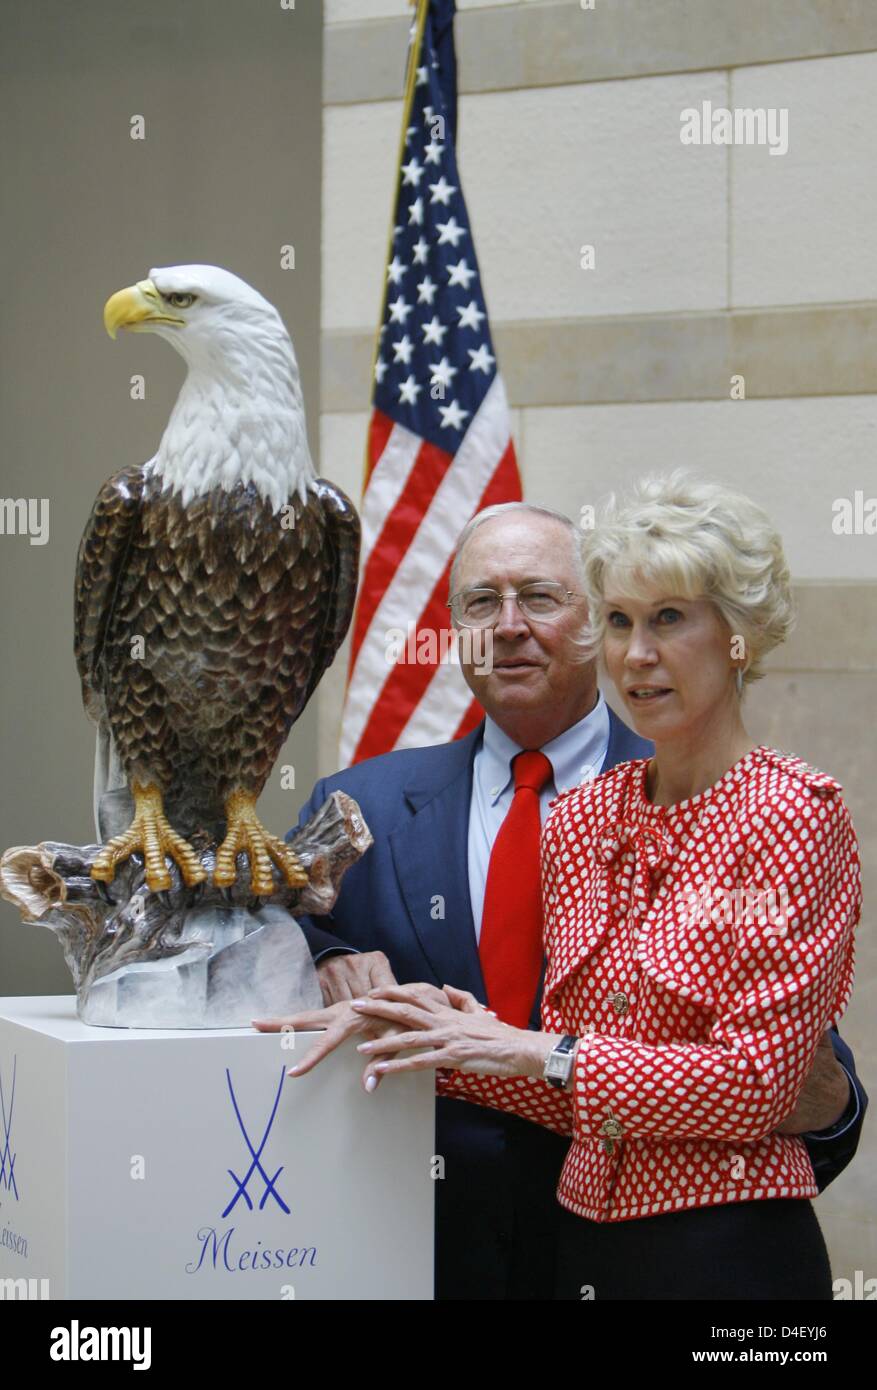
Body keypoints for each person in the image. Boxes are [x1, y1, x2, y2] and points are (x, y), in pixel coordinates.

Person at [255, 495, 867, 1301]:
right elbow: (569, 1089)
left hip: (725, 1259)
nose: (638, 654)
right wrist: (428, 1031)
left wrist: (525, 1049)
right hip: (567, 1252)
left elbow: (763, 1084)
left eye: (668, 618)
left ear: (737, 638)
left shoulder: (789, 811)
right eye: (619, 621)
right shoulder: (586, 817)